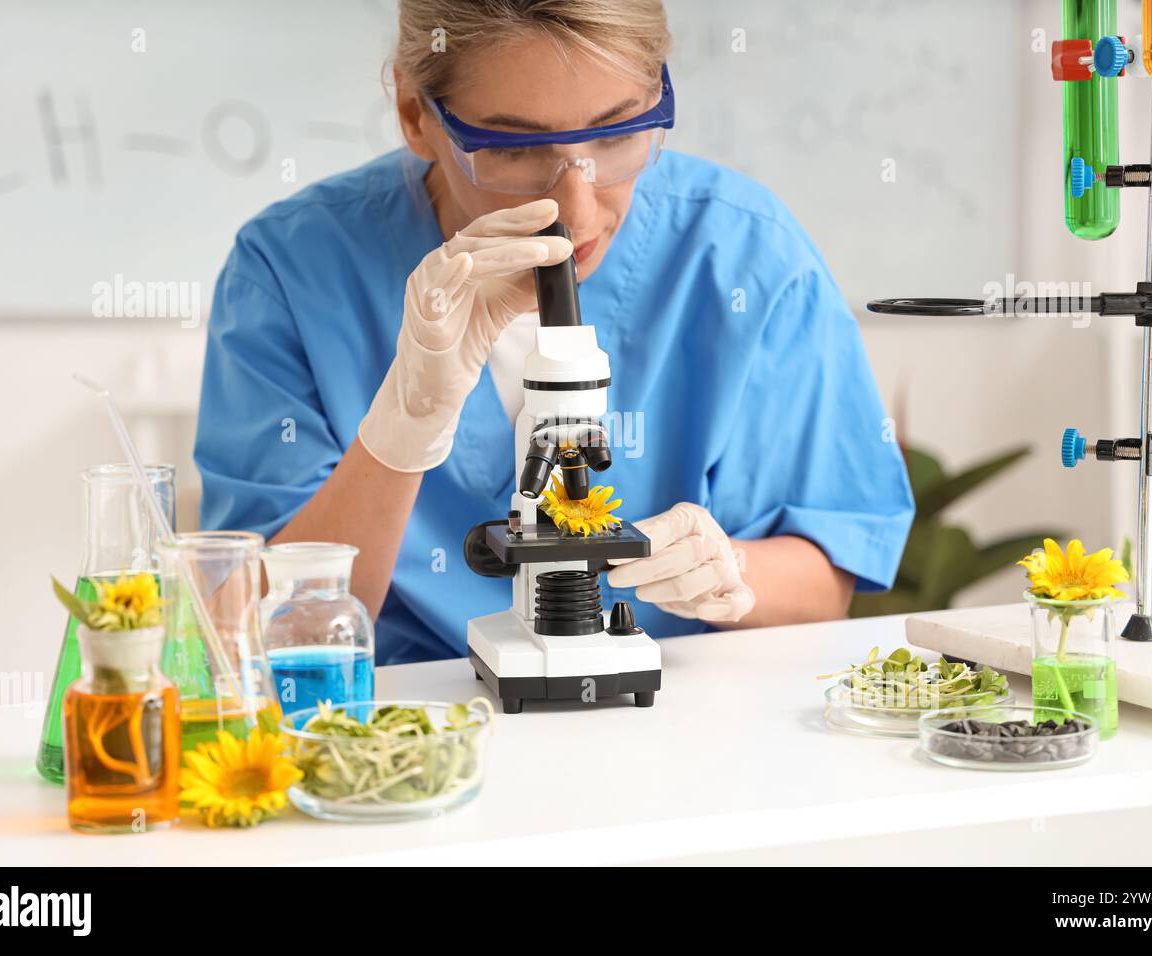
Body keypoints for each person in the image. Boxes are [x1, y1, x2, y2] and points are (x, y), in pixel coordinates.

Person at [195, 0, 914, 665]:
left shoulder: (746, 256)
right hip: (419, 747)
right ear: (416, 112)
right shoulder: (291, 271)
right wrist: (403, 428)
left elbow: (828, 582)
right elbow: (254, 635)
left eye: (620, 131)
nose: (576, 207)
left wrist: (726, 572)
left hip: (676, 727)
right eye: (514, 151)